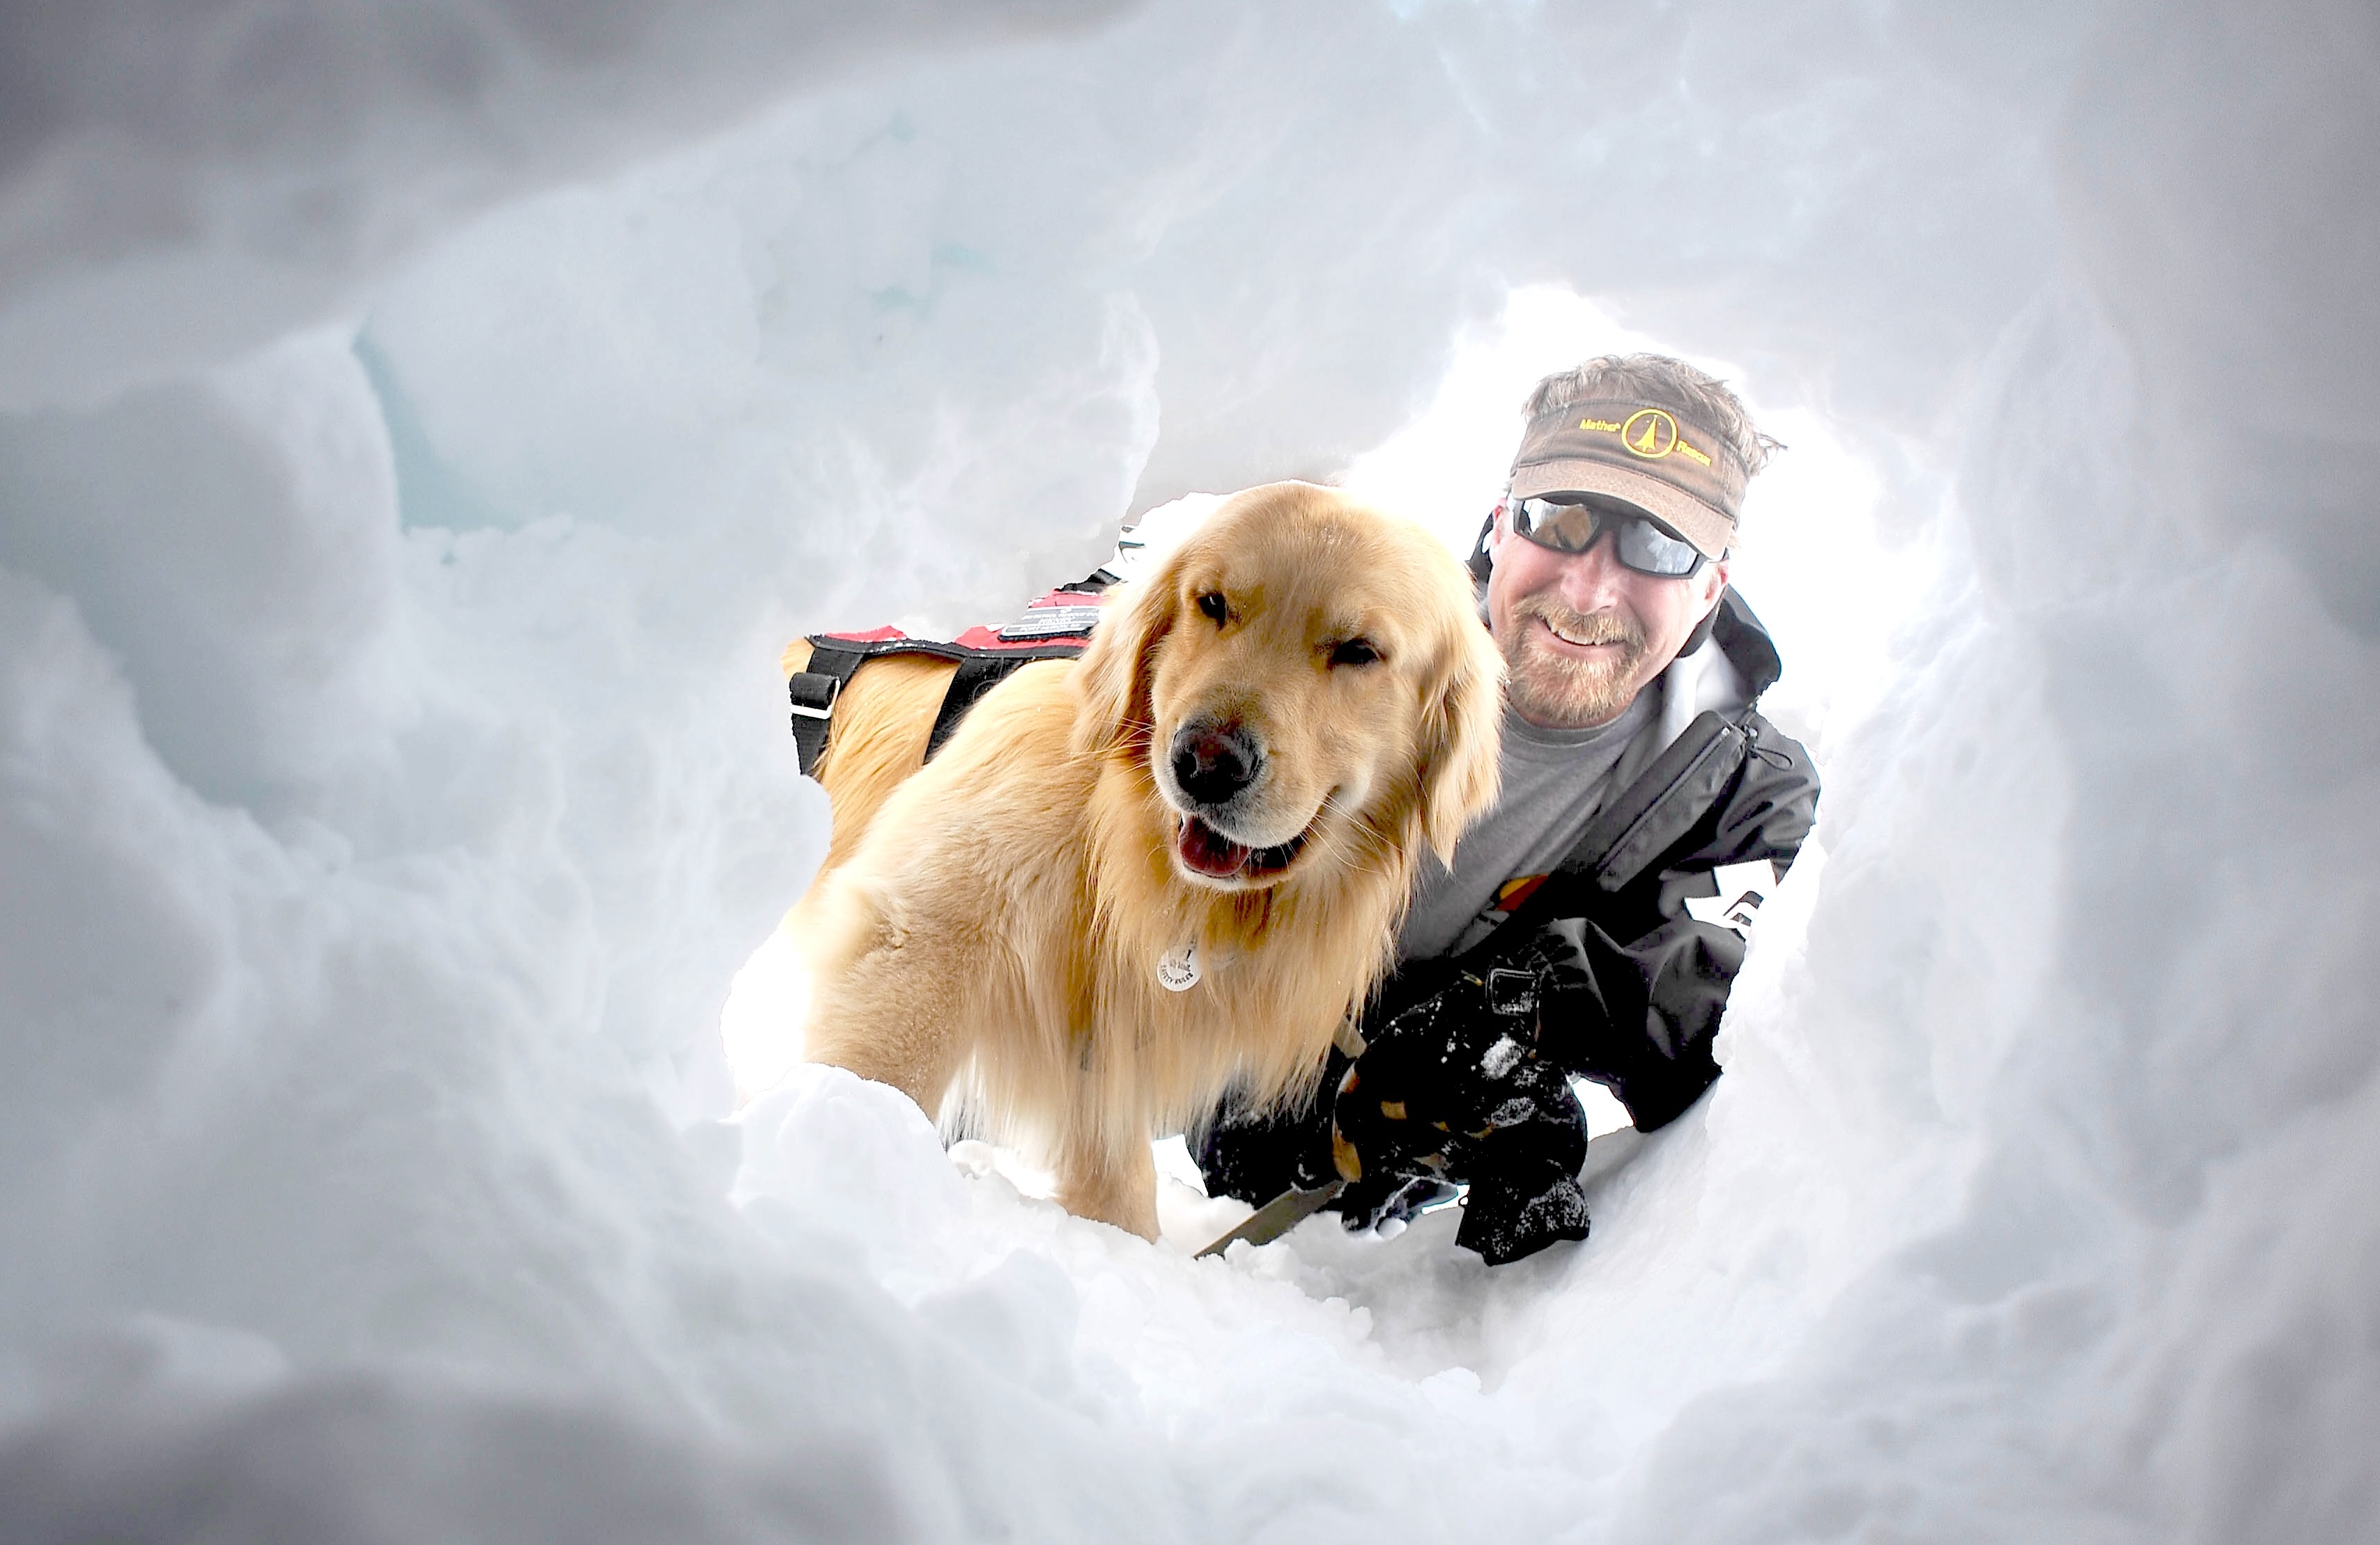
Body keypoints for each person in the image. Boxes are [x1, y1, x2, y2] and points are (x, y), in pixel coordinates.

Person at [1195, 353, 1822, 1264]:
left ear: (1710, 590)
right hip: (1190, 1017)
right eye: (1560, 522)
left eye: (1657, 549)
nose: (1588, 590)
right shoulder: (1357, 632)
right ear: (1501, 525)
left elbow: (1697, 988)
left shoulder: (1743, 789)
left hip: (1368, 1146)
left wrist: (1508, 1017)